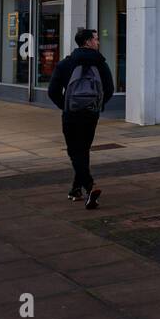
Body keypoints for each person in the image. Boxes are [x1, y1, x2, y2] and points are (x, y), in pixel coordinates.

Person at [48, 27, 115, 209]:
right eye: (95, 39)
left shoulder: (65, 64)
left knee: (74, 151)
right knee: (83, 149)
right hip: (90, 115)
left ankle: (89, 185)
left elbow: (52, 91)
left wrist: (66, 106)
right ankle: (76, 189)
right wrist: (97, 107)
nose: (98, 42)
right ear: (87, 42)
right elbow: (109, 89)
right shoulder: (101, 63)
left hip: (71, 114)